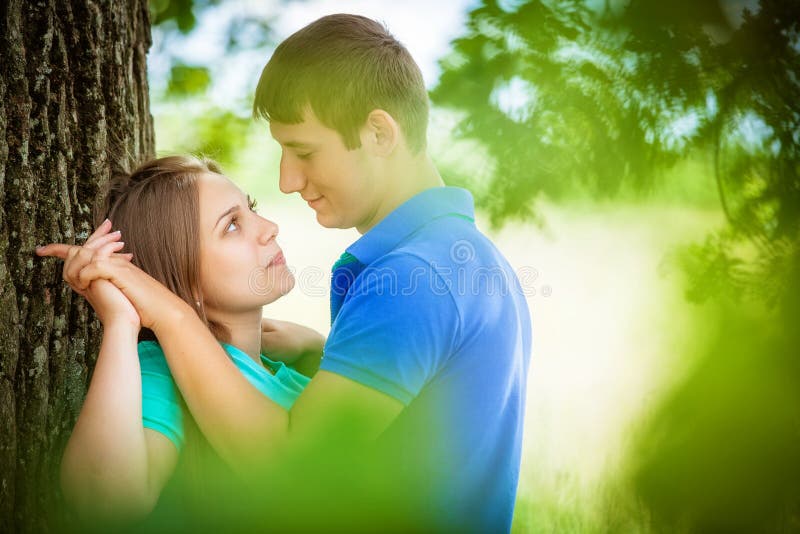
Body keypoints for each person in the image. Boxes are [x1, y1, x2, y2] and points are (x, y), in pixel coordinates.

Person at [39, 14, 532, 532]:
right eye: (232, 223)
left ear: (380, 133)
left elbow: (289, 461)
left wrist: (171, 315)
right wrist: (324, 351)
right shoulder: (465, 259)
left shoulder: (411, 279)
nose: (287, 181)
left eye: (303, 150)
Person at [50, 156, 322, 521]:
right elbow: (104, 502)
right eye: (231, 226)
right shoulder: (163, 370)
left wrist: (316, 344)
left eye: (251, 208)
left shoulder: (292, 368)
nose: (269, 228)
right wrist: (120, 322)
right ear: (184, 274)